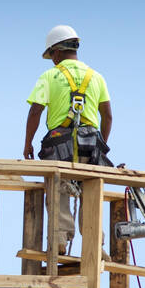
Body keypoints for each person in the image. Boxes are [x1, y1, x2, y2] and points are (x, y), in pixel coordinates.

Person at [22, 24, 113, 249]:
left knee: (58, 187)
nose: (52, 59)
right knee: (90, 188)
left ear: (57, 51)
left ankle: (60, 239)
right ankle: (95, 245)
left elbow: (35, 111)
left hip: (59, 146)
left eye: (52, 54)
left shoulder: (49, 76)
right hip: (91, 145)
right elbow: (108, 116)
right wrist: (101, 147)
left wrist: (28, 144)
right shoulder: (97, 77)